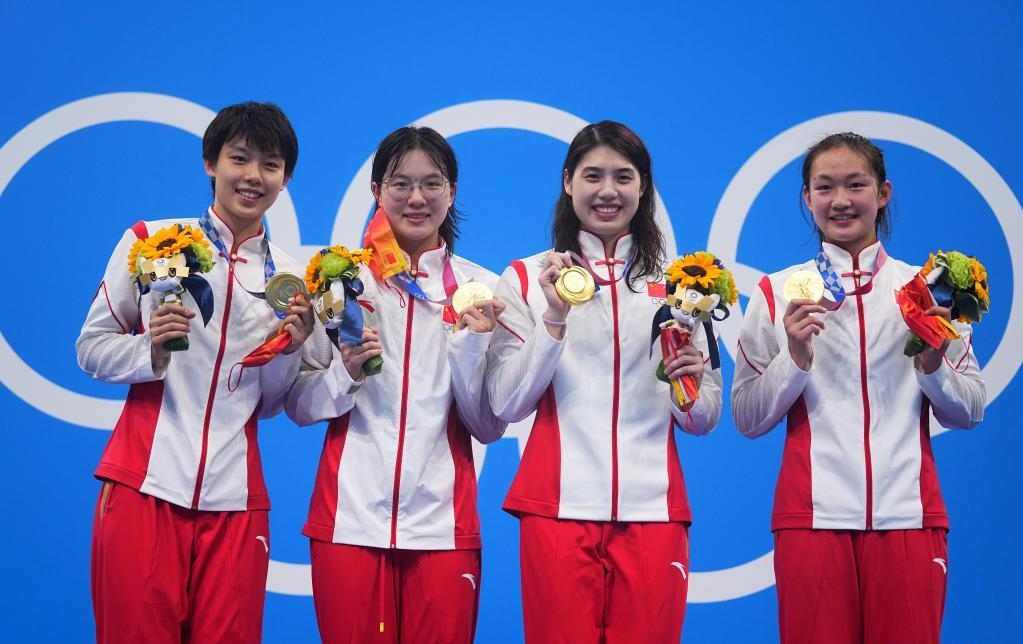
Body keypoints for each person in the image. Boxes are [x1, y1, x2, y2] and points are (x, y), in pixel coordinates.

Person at [77, 101, 324, 644]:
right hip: (144, 484)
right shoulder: (151, 241)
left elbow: (272, 402)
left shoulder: (290, 279)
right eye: (240, 158)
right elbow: (91, 349)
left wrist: (290, 349)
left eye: (271, 165)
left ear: (285, 179)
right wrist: (150, 353)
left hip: (235, 502)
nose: (253, 176)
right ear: (211, 163)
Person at [731, 132, 986, 643]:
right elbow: (747, 417)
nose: (840, 200)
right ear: (807, 198)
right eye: (825, 187)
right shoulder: (776, 292)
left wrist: (933, 363)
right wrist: (795, 358)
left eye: (856, 184)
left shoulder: (926, 290)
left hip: (909, 516)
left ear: (883, 193)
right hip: (811, 520)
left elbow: (970, 409)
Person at [485, 120, 722, 644]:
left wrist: (687, 385)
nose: (608, 191)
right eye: (593, 176)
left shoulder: (685, 285)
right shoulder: (526, 278)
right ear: (568, 182)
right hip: (556, 510)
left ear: (644, 186)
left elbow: (704, 418)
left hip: (653, 511)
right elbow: (506, 404)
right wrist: (553, 318)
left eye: (623, 176)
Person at [284, 125, 507, 644]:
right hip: (348, 519)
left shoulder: (481, 291)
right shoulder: (338, 283)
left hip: (443, 527)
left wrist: (471, 346)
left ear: (452, 192)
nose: (416, 198)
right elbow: (299, 405)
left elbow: (488, 426)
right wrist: (346, 373)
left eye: (432, 183)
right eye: (400, 183)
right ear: (376, 191)